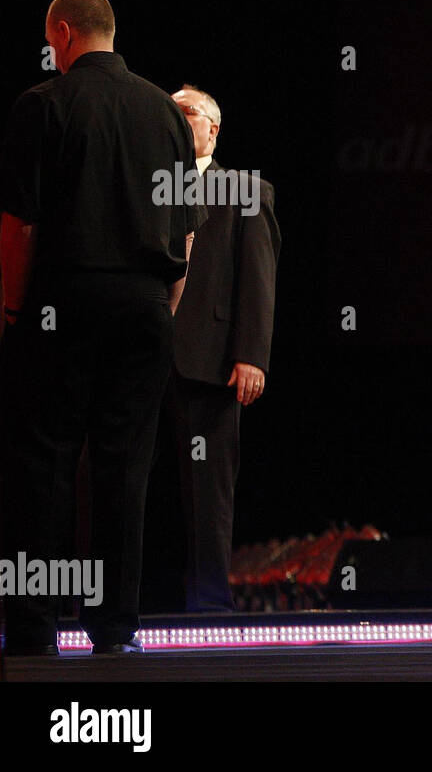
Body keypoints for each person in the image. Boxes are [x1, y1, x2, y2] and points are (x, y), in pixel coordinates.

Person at [0, 0, 205, 655]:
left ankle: (32, 628)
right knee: (124, 469)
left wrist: (11, 310)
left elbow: (16, 225)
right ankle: (114, 630)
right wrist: (161, 309)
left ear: (62, 33)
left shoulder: (42, 104)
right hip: (145, 305)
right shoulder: (168, 114)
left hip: (64, 301)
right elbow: (186, 236)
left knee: (43, 464)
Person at [147, 85, 280, 612]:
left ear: (213, 128)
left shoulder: (246, 189)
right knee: (127, 484)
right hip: (142, 358)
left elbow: (258, 279)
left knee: (208, 495)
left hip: (210, 360)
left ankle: (209, 608)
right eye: (168, 114)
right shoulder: (148, 187)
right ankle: (117, 608)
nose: (176, 122)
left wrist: (252, 354)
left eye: (185, 113)